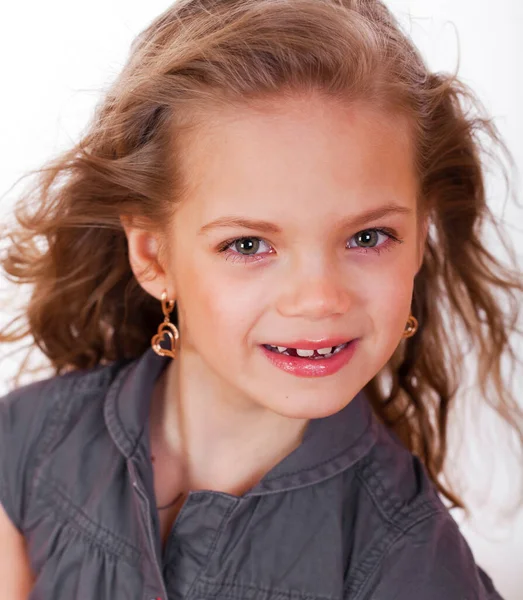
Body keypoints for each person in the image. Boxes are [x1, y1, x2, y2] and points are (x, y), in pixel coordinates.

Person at [0, 0, 522, 598]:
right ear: (152, 256)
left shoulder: (413, 563)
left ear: (420, 238)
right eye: (248, 244)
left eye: (368, 237)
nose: (319, 298)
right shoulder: (26, 441)